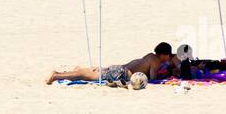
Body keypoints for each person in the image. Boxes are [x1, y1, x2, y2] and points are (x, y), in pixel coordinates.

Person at [46, 42, 181, 86]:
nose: (168, 58)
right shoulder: (156, 61)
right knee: (86, 77)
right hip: (121, 73)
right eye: (168, 55)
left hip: (120, 68)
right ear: (163, 54)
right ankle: (57, 75)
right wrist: (168, 75)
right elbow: (152, 79)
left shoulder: (149, 56)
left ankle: (78, 70)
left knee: (91, 72)